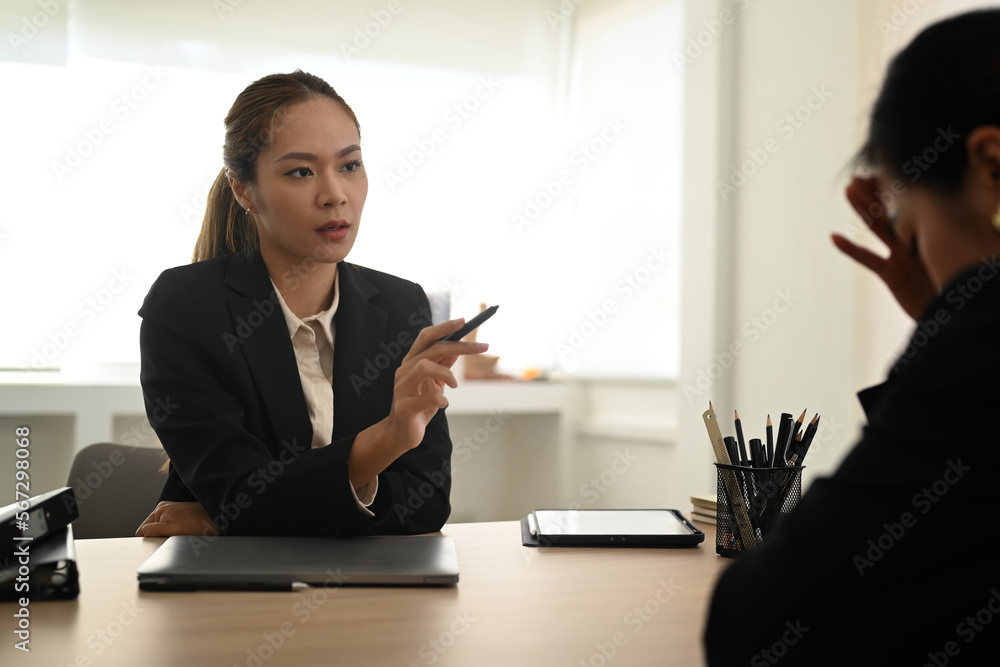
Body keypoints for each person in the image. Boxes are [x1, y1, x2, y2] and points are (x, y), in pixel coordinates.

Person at [705, 9, 1000, 665]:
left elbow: (755, 625)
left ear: (991, 166)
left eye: (907, 221)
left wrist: (946, 326)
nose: (911, 248)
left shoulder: (983, 335)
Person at [134, 71, 487, 538]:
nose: (335, 195)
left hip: (373, 597)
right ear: (244, 190)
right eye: (301, 171)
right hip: (230, 599)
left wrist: (222, 521)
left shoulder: (401, 305)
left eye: (350, 165)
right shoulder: (185, 306)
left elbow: (425, 504)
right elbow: (239, 493)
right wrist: (387, 440)